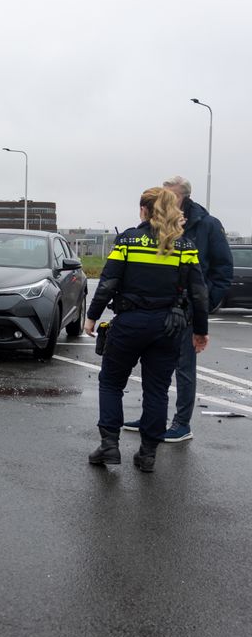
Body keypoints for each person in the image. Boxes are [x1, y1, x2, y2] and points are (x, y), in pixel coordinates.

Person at [85, 187, 210, 473]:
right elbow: (199, 293)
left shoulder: (128, 239)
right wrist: (200, 330)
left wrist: (92, 316)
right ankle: (147, 454)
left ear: (144, 210)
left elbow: (108, 281)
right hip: (168, 327)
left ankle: (109, 444)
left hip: (130, 323)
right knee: (157, 389)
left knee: (112, 382)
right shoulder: (185, 246)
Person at [123, 176, 232, 443]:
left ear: (183, 196)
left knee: (184, 368)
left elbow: (222, 270)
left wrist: (203, 304)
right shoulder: (158, 221)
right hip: (159, 307)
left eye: (169, 194)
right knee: (153, 365)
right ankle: (152, 416)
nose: (165, 199)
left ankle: (182, 424)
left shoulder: (207, 225)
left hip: (187, 309)